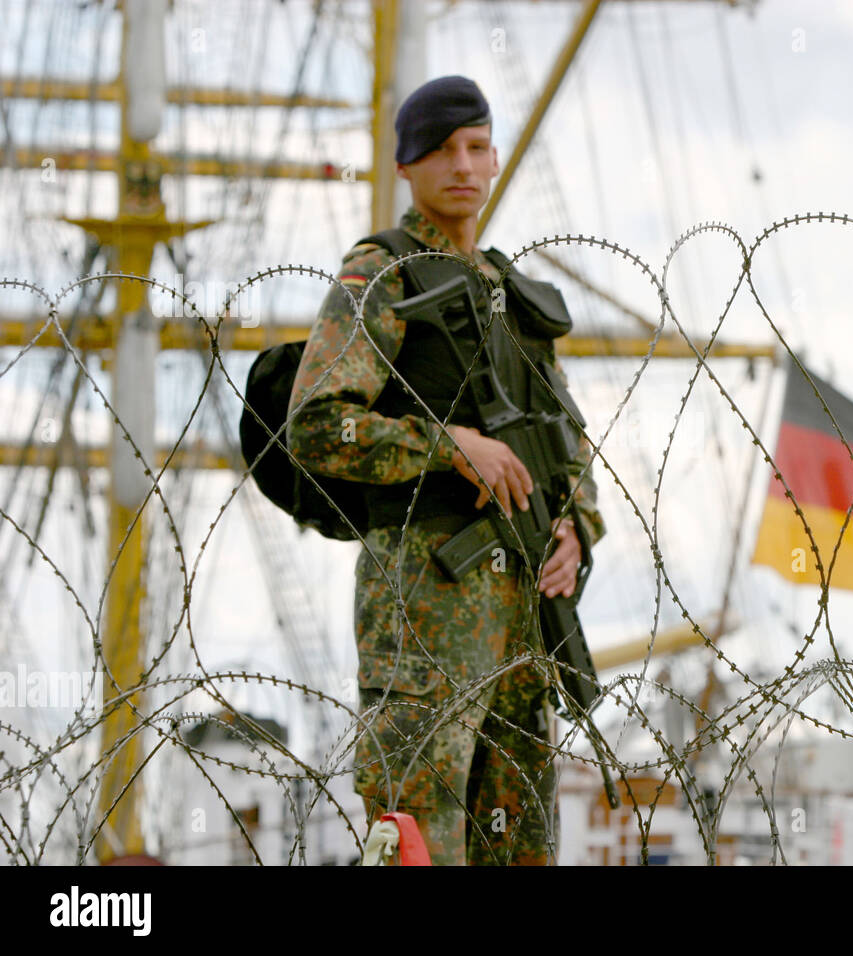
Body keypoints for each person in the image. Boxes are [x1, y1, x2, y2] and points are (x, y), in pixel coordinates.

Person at [286, 75, 604, 865]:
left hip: (523, 605)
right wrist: (447, 444)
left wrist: (575, 526)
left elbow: (566, 442)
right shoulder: (381, 276)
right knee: (422, 829)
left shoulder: (510, 294)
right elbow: (317, 424)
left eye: (475, 147)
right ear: (408, 167)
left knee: (521, 834)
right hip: (427, 601)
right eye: (440, 151)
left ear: (494, 158)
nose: (461, 165)